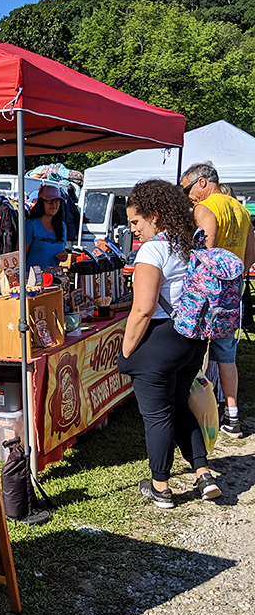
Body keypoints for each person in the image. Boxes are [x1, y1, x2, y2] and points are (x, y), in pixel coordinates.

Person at [117, 179, 221, 508]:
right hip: (191, 338)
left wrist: (126, 350)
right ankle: (203, 473)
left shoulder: (153, 249)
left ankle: (160, 486)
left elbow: (143, 308)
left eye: (136, 221)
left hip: (160, 340)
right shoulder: (189, 242)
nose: (133, 229)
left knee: (157, 416)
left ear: (156, 215)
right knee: (178, 406)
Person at [180, 162, 255, 438]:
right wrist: (234, 277)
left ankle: (199, 412)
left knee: (195, 352)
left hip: (207, 294)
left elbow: (205, 252)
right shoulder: (241, 209)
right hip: (233, 292)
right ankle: (232, 417)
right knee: (227, 356)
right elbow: (250, 256)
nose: (187, 194)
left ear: (202, 182)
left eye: (187, 187)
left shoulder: (205, 207)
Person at [25, 184, 68, 268]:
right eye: (50, 201)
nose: (54, 204)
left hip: (53, 278)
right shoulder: (30, 225)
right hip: (33, 278)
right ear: (41, 202)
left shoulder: (62, 226)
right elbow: (19, 256)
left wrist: (64, 256)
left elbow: (62, 250)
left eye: (57, 201)